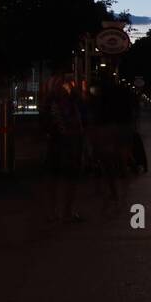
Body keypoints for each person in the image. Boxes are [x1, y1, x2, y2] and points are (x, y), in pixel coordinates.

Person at [40, 70, 84, 223]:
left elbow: (81, 117)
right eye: (61, 84)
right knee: (57, 179)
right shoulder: (52, 102)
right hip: (59, 143)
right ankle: (57, 211)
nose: (65, 87)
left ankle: (66, 210)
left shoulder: (72, 101)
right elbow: (45, 122)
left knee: (68, 178)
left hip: (70, 143)